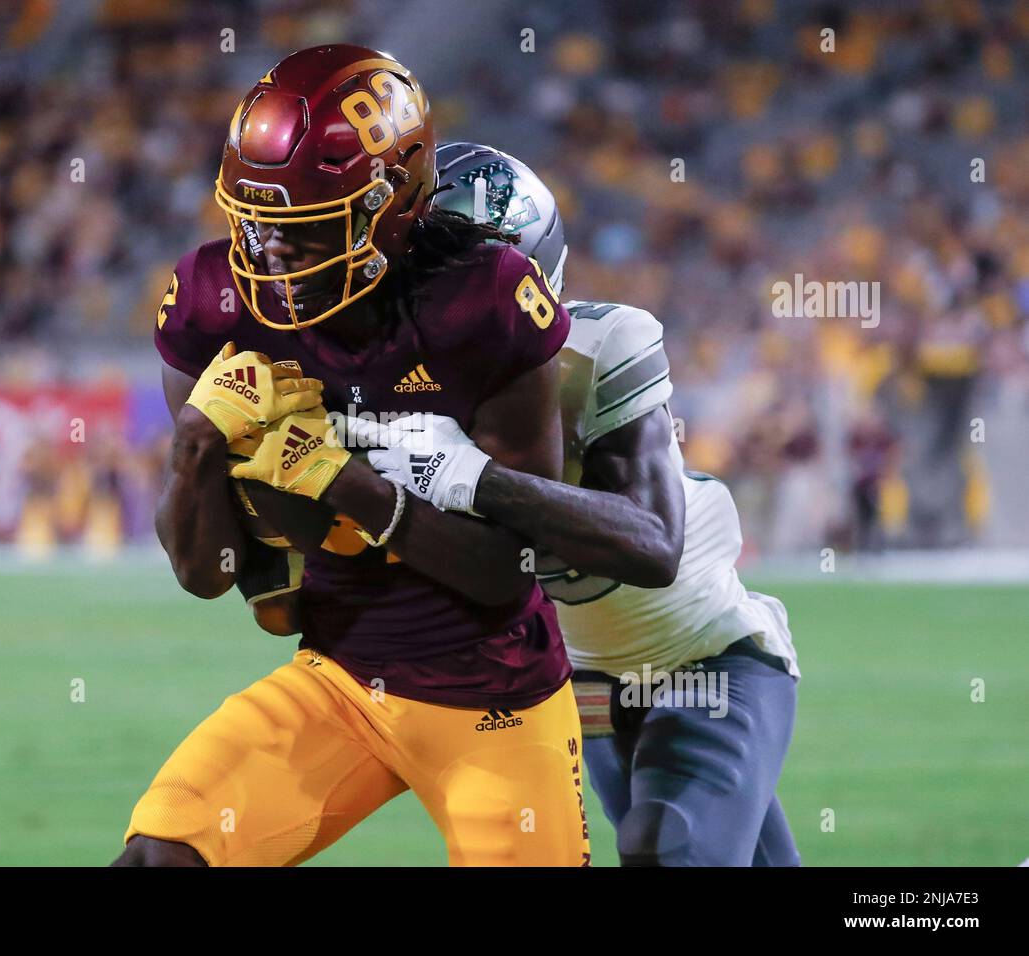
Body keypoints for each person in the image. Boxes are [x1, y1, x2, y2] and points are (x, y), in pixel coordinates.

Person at [116, 46, 590, 866]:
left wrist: (341, 479)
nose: (268, 254)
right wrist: (196, 447)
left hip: (496, 701)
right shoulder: (213, 300)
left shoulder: (483, 303)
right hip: (341, 680)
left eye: (301, 229)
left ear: (391, 207)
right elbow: (207, 573)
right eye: (257, 222)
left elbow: (506, 572)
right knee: (161, 856)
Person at [352, 143, 801, 866]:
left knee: (667, 848)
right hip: (583, 686)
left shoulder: (600, 344)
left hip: (706, 657)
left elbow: (652, 544)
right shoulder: (385, 384)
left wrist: (470, 477)